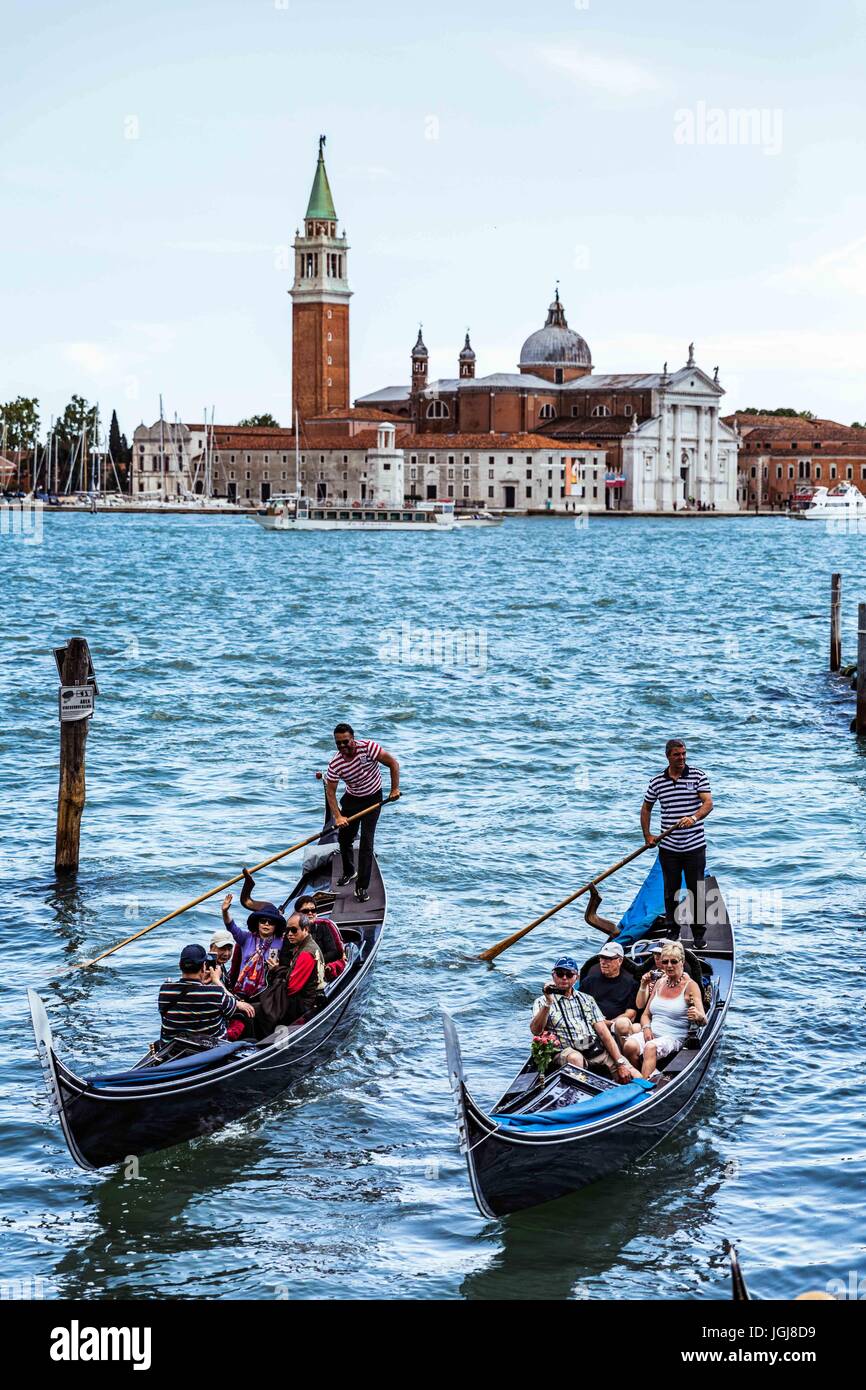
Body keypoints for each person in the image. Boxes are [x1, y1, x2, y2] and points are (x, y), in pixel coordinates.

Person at [641, 738, 713, 944]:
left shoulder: (698, 776)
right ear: (668, 756)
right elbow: (646, 808)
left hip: (694, 846)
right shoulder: (657, 782)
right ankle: (672, 931)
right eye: (677, 755)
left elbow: (708, 803)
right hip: (669, 847)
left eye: (683, 754)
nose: (681, 758)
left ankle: (699, 935)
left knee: (696, 890)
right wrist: (648, 836)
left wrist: (694, 818)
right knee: (670, 891)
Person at [530, 956, 640, 1083]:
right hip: (565, 1051)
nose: (564, 978)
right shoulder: (542, 1002)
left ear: (576, 977)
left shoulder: (587, 999)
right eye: (560, 974)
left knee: (635, 1076)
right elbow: (536, 1031)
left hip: (592, 1048)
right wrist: (548, 1003)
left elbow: (604, 1034)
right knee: (575, 1058)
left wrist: (620, 1063)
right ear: (553, 976)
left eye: (569, 974)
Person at [325, 723, 400, 903]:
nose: (342, 747)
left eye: (345, 742)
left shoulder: (368, 748)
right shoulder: (335, 763)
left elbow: (393, 763)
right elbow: (330, 792)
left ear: (353, 738)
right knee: (344, 839)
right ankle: (350, 871)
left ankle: (361, 887)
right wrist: (338, 816)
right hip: (352, 799)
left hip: (374, 798)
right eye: (338, 744)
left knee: (366, 842)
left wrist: (394, 789)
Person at [622, 941, 707, 1080]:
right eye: (665, 961)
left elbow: (704, 1020)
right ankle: (641, 1077)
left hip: (674, 1036)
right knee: (629, 1046)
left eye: (673, 961)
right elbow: (645, 1014)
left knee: (650, 1047)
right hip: (652, 1032)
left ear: (682, 962)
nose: (669, 965)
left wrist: (698, 1016)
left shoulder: (691, 986)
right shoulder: (660, 982)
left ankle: (644, 1086)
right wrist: (647, 1028)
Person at [158, 943, 255, 1047]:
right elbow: (233, 1004)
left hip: (173, 1048)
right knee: (244, 1021)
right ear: (204, 966)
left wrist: (202, 984)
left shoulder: (164, 990)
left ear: (180, 965)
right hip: (210, 1049)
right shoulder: (216, 993)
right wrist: (217, 981)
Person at [251, 914, 325, 1040]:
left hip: (301, 1005)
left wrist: (276, 971)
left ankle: (261, 1042)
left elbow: (291, 988)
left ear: (306, 929)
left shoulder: (306, 953)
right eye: (287, 930)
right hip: (305, 998)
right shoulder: (305, 947)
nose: (289, 934)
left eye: (294, 930)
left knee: (256, 1010)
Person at [221, 888, 286, 997]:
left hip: (266, 992)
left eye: (271, 922)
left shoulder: (282, 942)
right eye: (263, 921)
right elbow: (231, 926)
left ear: (276, 926)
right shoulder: (246, 938)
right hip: (242, 990)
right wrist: (225, 911)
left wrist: (276, 968)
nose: (266, 924)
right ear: (257, 923)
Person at [579, 941, 639, 1045]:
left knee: (626, 1025)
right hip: (592, 1026)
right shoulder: (589, 981)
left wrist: (610, 1023)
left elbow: (631, 1013)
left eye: (608, 958)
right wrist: (600, 1023)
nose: (603, 962)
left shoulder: (631, 983)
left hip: (616, 1026)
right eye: (601, 958)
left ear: (620, 960)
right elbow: (580, 1007)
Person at [290, 895, 346, 981]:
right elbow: (286, 955)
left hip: (320, 970)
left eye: (313, 910)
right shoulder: (290, 931)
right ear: (297, 913)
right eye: (305, 911)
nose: (310, 913)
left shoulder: (323, 927)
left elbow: (334, 953)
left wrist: (311, 962)